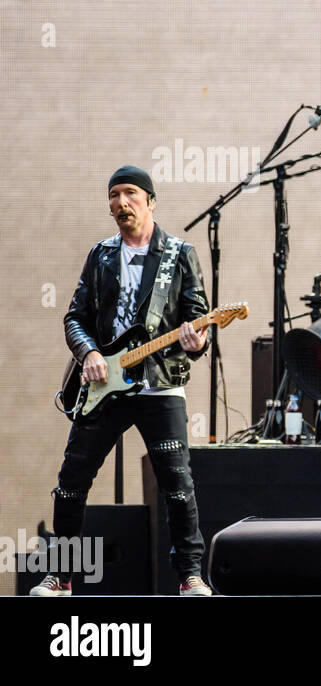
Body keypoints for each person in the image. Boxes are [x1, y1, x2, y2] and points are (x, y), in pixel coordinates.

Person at [31, 166, 213, 597]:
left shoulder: (179, 254)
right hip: (103, 388)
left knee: (178, 487)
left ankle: (189, 577)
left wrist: (195, 338)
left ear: (151, 200)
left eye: (130, 193)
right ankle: (62, 576)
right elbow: (74, 317)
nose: (120, 203)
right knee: (71, 483)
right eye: (113, 195)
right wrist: (89, 353)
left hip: (160, 384)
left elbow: (197, 320)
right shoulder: (101, 255)